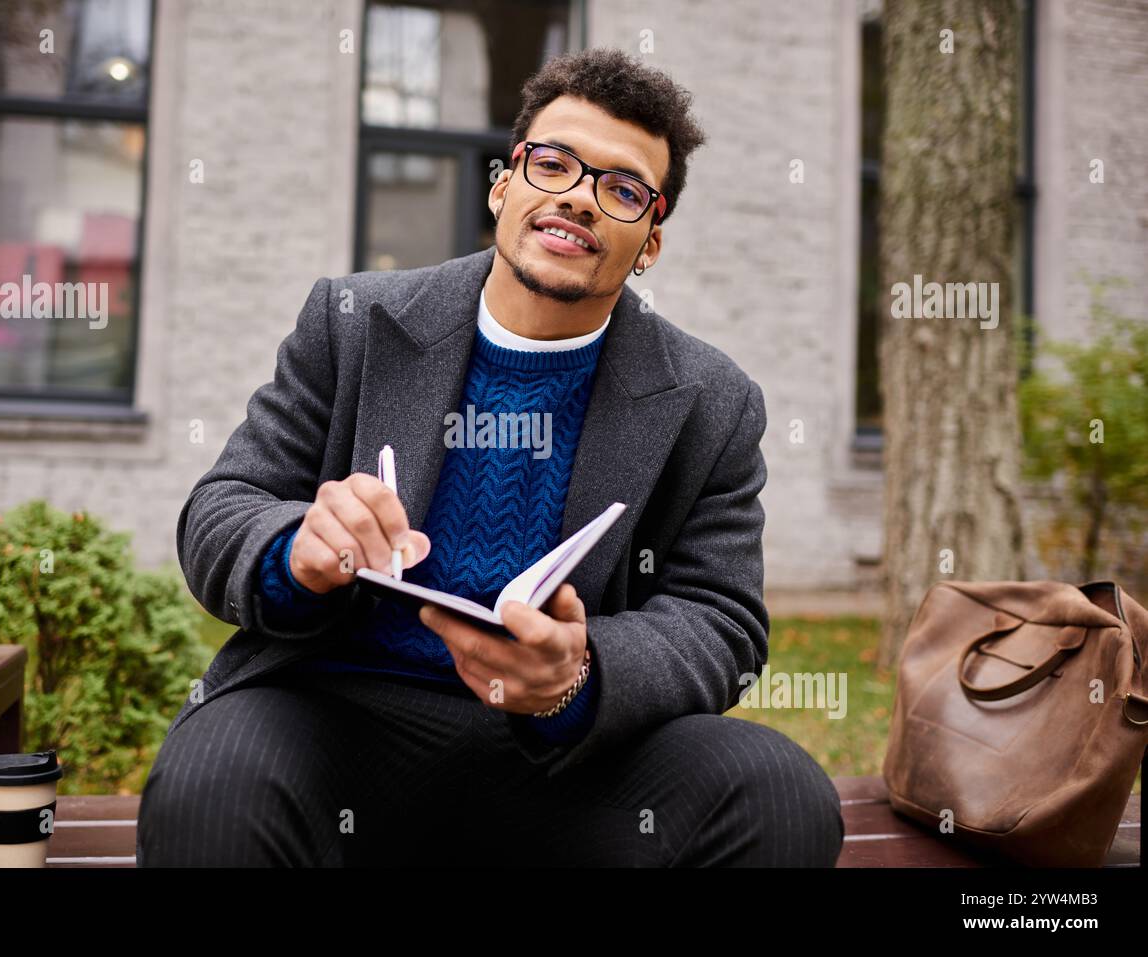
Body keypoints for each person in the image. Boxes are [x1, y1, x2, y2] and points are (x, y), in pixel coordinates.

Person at [137, 47, 844, 867]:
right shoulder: (354, 321)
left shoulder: (712, 401)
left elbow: (721, 620)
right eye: (554, 164)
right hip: (336, 722)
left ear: (649, 240)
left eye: (620, 189)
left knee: (780, 793)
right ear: (505, 186)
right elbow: (226, 505)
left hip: (566, 758)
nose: (579, 197)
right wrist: (298, 549)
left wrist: (578, 674)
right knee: (208, 784)